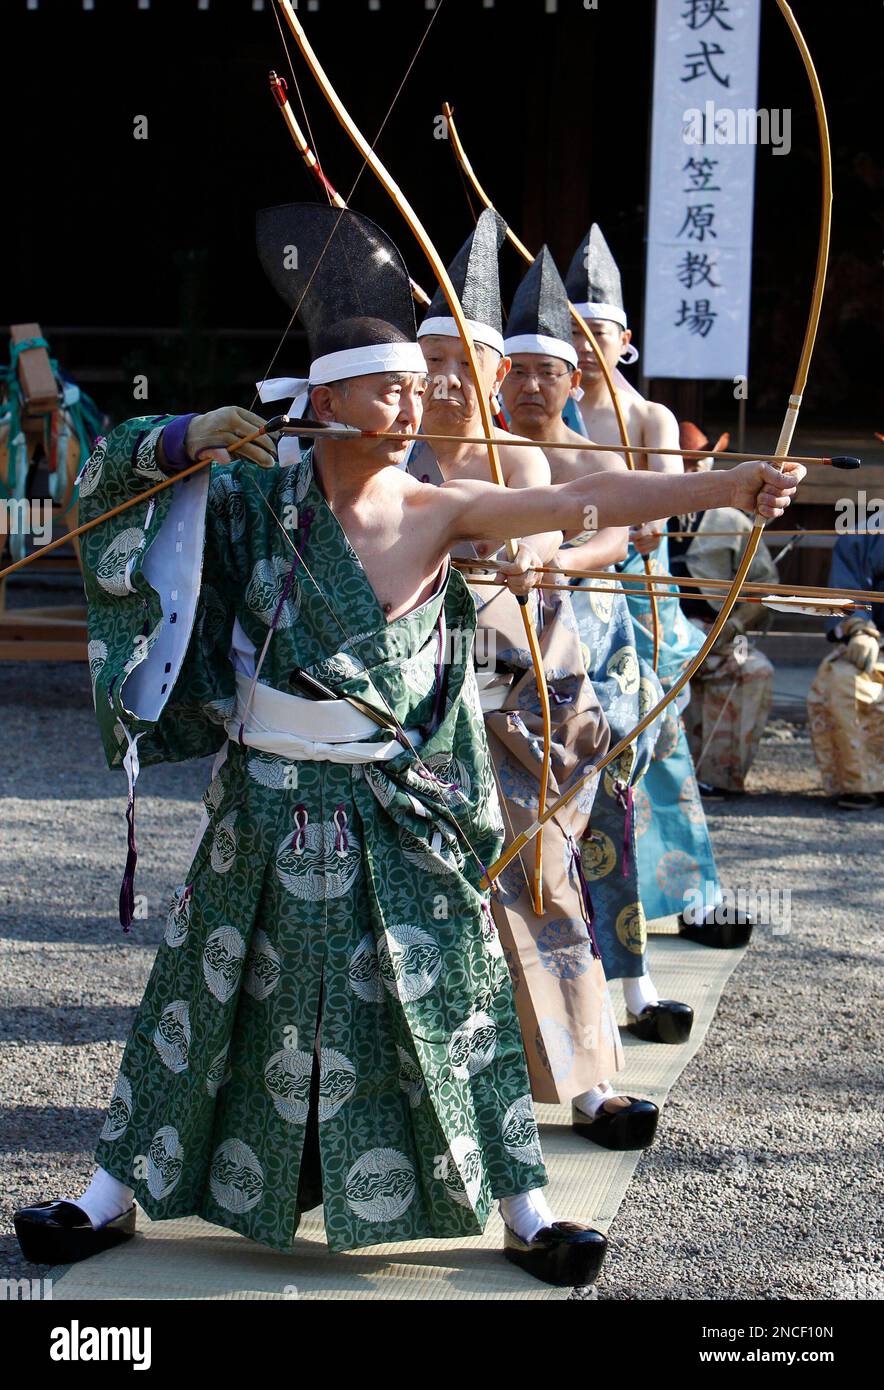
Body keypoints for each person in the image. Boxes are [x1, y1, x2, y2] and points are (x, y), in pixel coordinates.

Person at [13, 204, 801, 1289]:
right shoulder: (254, 497)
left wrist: (723, 486)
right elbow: (103, 478)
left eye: (418, 386)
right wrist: (190, 435)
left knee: (456, 1000)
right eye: (388, 386)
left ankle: (525, 1212)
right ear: (323, 400)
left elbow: (585, 497)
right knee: (205, 993)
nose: (417, 399)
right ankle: (110, 1194)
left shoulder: (434, 508)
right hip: (267, 800)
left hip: (395, 801)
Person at [411, 220, 658, 1151]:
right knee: (434, 900)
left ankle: (588, 1081)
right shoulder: (400, 467)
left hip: (529, 705)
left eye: (455, 361)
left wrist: (537, 563)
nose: (437, 381)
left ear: (491, 373)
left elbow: (585, 533)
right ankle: (440, 1091)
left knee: (547, 883)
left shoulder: (522, 460)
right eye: (424, 360)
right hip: (428, 712)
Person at [499, 246, 693, 1050]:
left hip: (597, 658)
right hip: (506, 659)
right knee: (510, 824)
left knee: (604, 813)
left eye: (553, 371)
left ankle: (635, 983)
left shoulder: (594, 455)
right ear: (498, 378)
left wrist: (557, 560)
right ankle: (522, 1012)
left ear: (575, 383)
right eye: (521, 370)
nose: (537, 384)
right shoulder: (480, 450)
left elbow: (618, 536)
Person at [564, 225, 751, 950]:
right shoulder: (546, 411)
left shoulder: (648, 416)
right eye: (571, 333)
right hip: (572, 594)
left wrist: (638, 527)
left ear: (626, 338)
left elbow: (671, 503)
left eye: (598, 331)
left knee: (656, 741)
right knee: (574, 748)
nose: (584, 346)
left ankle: (694, 894)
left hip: (641, 596)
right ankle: (580, 894)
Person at [671, 421, 778, 797]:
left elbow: (764, 587)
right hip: (657, 635)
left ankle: (720, 778)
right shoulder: (645, 513)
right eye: (682, 462)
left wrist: (730, 628)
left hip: (717, 633)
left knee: (754, 669)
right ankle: (664, 781)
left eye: (699, 461)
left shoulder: (732, 520)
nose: (691, 469)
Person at [807, 532, 884, 810]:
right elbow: (847, 594)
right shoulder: (863, 537)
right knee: (842, 680)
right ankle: (862, 785)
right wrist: (860, 630)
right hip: (876, 642)